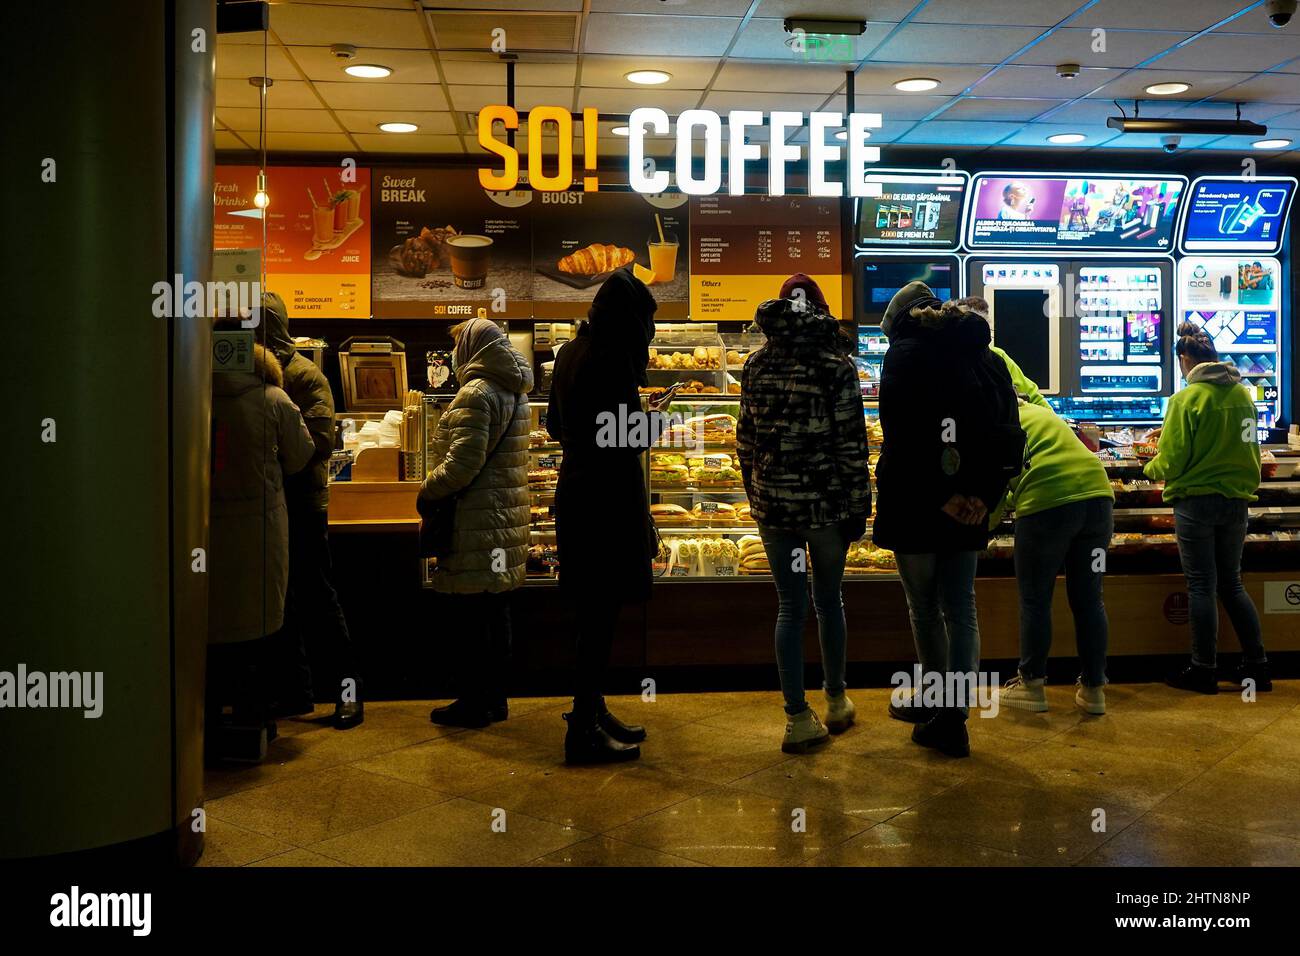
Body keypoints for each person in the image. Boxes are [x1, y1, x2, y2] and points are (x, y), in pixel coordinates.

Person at [873, 283, 1023, 758]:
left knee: (924, 607)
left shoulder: (905, 357)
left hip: (917, 502)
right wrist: (981, 495)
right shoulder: (986, 356)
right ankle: (953, 715)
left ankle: (939, 705)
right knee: (961, 606)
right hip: (972, 507)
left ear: (899, 322)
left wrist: (942, 496)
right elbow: (1008, 436)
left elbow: (904, 438)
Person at [736, 274, 871, 754]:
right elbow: (852, 445)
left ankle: (797, 716)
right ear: (819, 310)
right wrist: (860, 507)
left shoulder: (755, 364)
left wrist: (758, 495)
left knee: (790, 608)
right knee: (828, 601)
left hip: (775, 508)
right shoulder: (835, 365)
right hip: (825, 506)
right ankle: (836, 700)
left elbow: (745, 440)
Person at [547, 268, 667, 764]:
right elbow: (625, 439)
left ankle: (591, 712)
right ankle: (583, 731)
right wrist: (654, 418)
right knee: (601, 616)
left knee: (590, 613)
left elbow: (556, 426)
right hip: (607, 501)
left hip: (576, 493)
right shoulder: (613, 359)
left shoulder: (570, 351)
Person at [421, 318, 534, 727]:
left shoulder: (476, 392)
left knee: (471, 618)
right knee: (494, 612)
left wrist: (427, 490)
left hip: (478, 520)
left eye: (456, 347)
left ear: (471, 348)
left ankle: (473, 702)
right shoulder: (514, 389)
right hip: (505, 518)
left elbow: (461, 465)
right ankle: (494, 699)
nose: (453, 355)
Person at [207, 337, 315, 763]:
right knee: (258, 624)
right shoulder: (275, 400)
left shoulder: (196, 396)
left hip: (207, 529)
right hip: (261, 527)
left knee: (214, 622)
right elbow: (301, 455)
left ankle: (211, 721)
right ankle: (254, 718)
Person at [1145, 324, 1269, 694]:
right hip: (1236, 501)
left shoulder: (1186, 400)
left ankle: (1203, 669)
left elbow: (1173, 460)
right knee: (1231, 583)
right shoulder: (1242, 395)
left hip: (1195, 502)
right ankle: (1258, 667)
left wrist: (1148, 466)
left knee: (1201, 585)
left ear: (1185, 360)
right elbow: (1250, 449)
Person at [260, 292, 363, 731]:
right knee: (280, 601)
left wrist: (271, 451)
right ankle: (296, 693)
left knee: (319, 598)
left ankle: (348, 696)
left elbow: (320, 442)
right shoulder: (252, 370)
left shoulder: (304, 375)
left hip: (302, 503)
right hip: (268, 505)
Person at [996, 400, 1115, 715]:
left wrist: (986, 524)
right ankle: (1094, 690)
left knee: (1035, 599)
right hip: (1099, 503)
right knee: (1090, 599)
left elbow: (995, 484)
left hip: (1047, 507)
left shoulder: (996, 420)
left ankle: (1032, 685)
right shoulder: (1042, 414)